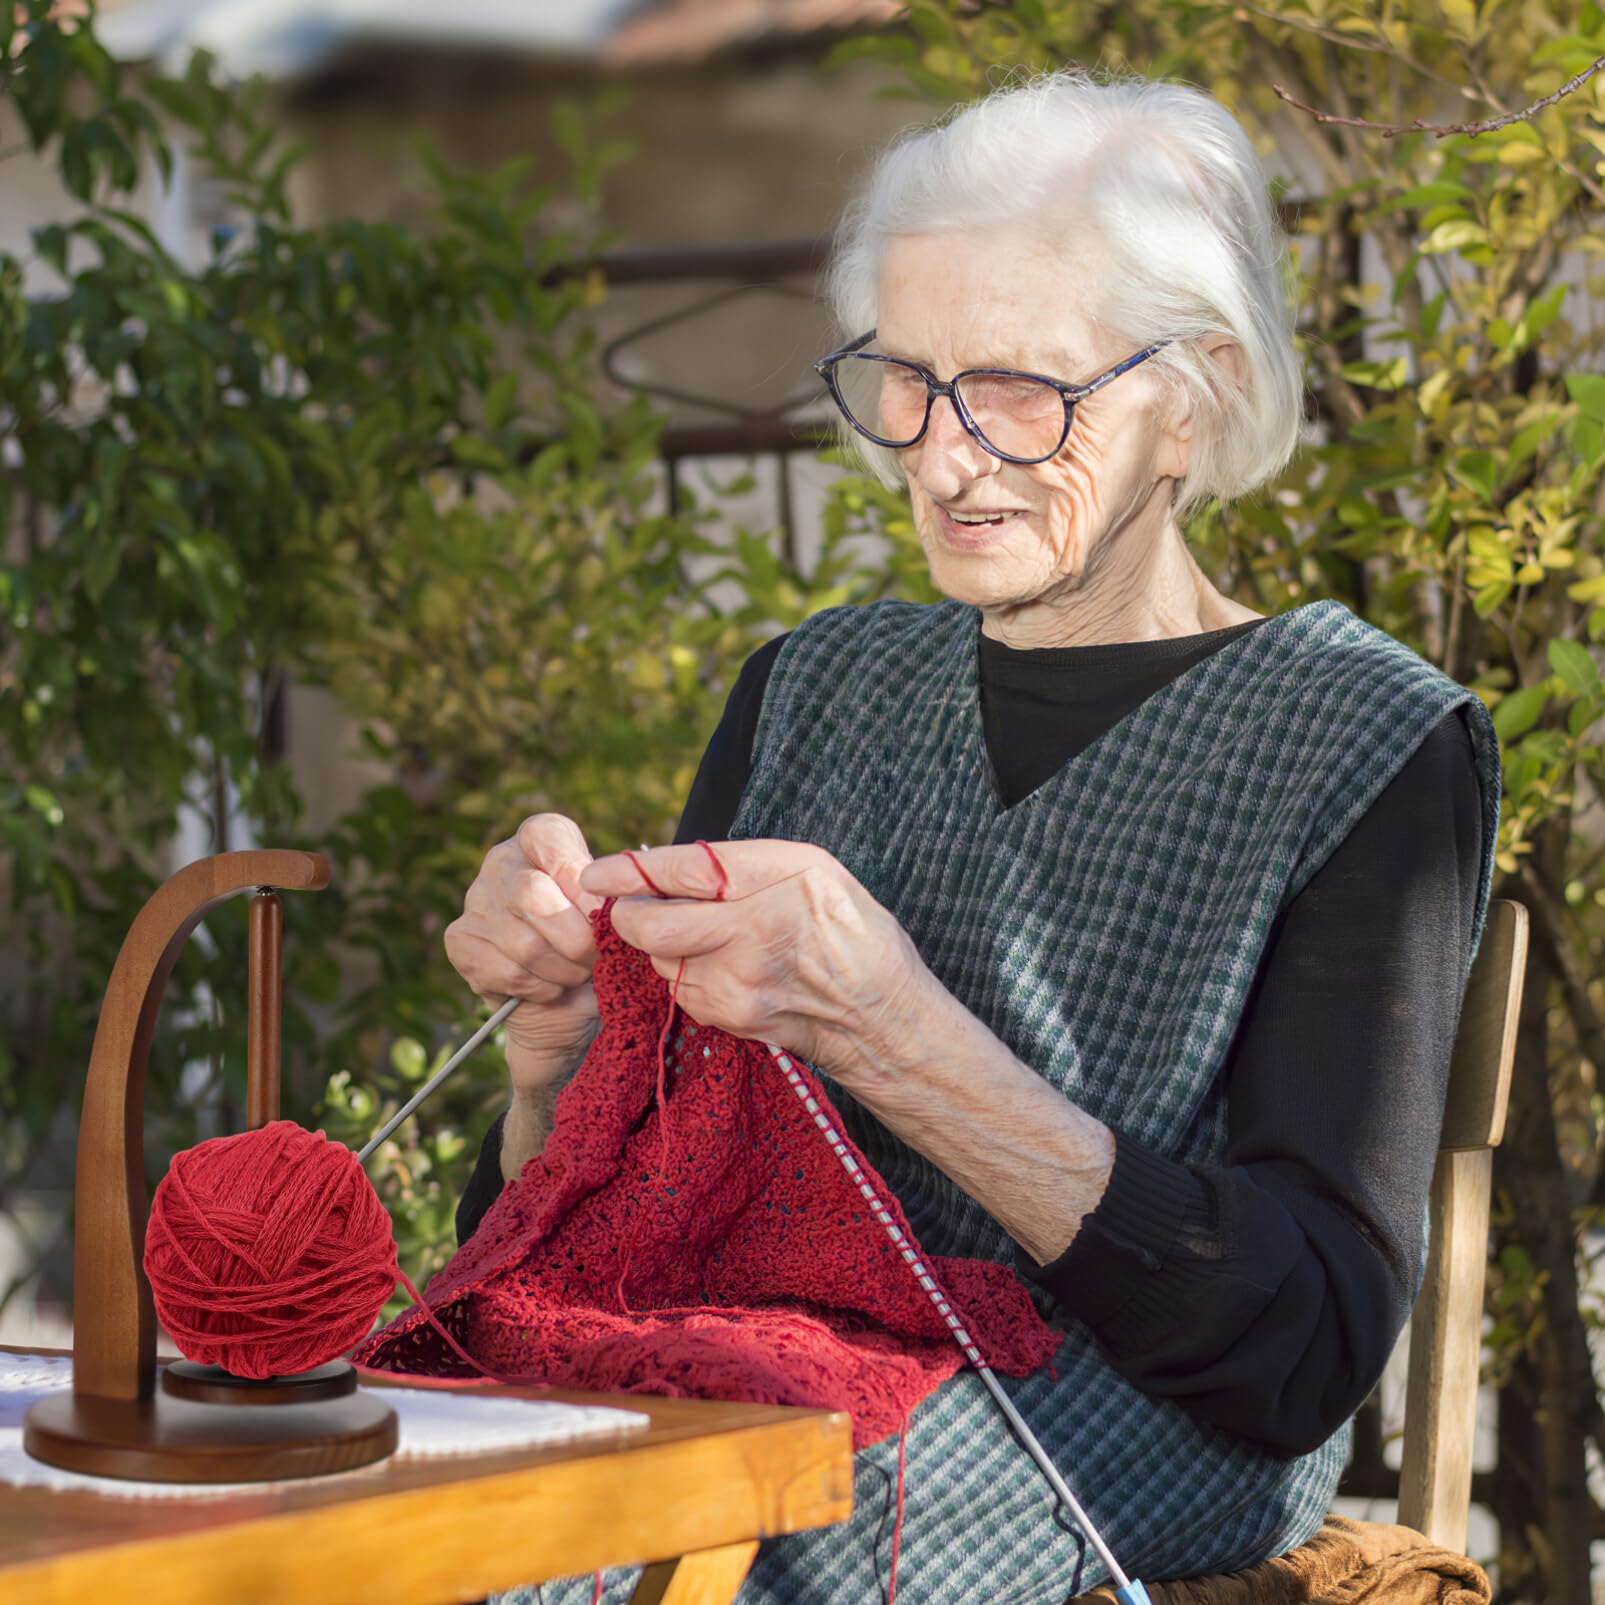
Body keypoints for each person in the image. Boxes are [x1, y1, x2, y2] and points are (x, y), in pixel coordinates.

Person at [443, 64, 1500, 1603]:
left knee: (663, 1542)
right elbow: (608, 1236)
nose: (939, 454)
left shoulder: (1364, 738)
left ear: (1192, 398)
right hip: (763, 1367)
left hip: (1128, 1414)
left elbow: (1302, 1347)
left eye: (1020, 387)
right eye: (907, 374)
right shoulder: (812, 688)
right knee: (401, 1454)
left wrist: (892, 1031)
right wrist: (555, 1060)